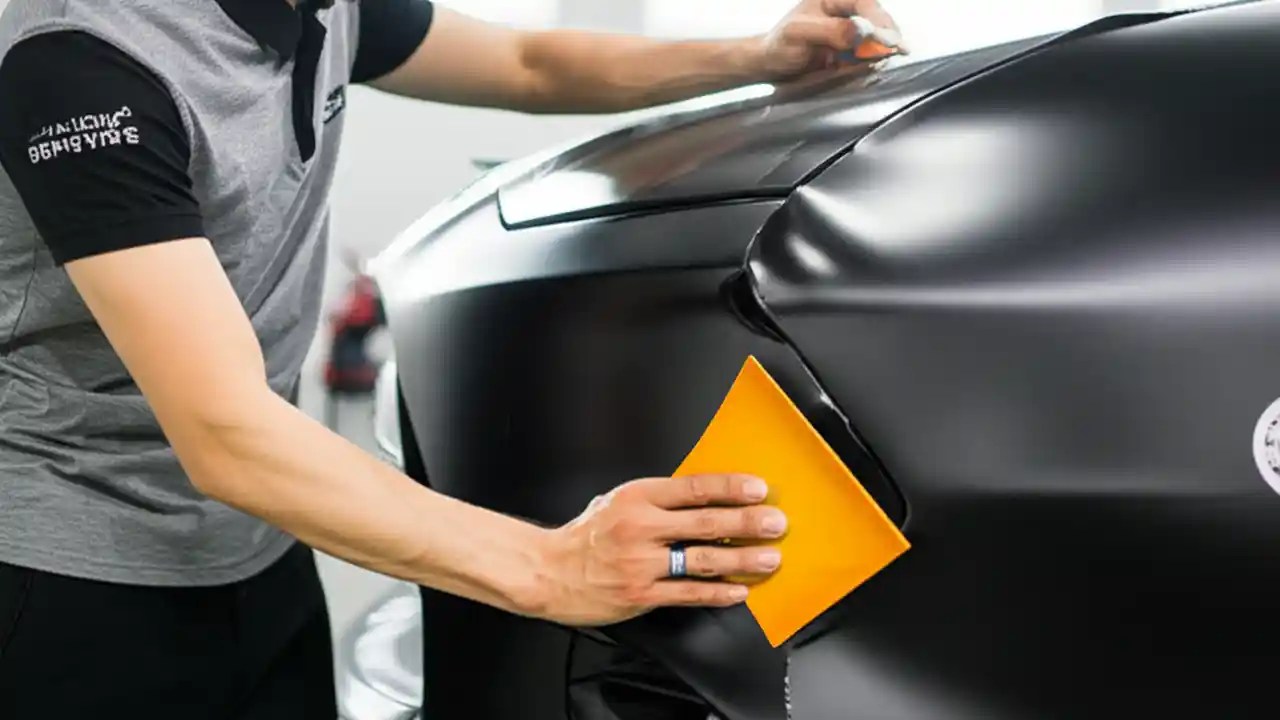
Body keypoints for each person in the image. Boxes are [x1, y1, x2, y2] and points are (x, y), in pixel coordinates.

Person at [0, 0, 901, 716]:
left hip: (259, 547)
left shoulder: (319, 7)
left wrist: (758, 53)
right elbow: (226, 432)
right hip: (78, 579)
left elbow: (526, 63)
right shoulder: (81, 65)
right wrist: (551, 569)